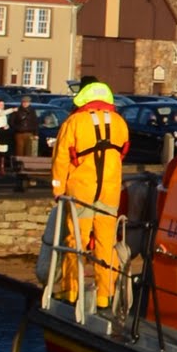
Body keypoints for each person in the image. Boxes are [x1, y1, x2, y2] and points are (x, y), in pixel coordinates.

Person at [50, 79, 130, 310]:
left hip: (81, 190)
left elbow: (61, 159)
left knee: (76, 241)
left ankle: (70, 291)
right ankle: (105, 295)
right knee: (106, 243)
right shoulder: (119, 123)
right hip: (109, 191)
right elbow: (123, 151)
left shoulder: (73, 122)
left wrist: (57, 189)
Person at [8, 94, 41, 158]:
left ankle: (27, 164)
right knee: (19, 150)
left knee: (29, 150)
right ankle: (18, 164)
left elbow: (35, 123)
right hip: (19, 133)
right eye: (24, 102)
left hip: (29, 133)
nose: (25, 103)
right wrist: (17, 128)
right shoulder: (17, 110)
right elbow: (11, 122)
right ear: (21, 102)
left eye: (27, 102)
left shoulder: (32, 111)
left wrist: (36, 134)